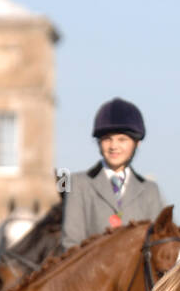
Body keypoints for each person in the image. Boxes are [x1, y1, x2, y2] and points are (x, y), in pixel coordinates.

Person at [61, 98, 166, 251]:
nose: (113, 146)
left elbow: (159, 244)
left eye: (122, 139)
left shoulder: (150, 190)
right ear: (98, 142)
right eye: (107, 139)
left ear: (137, 143)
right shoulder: (78, 184)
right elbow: (71, 244)